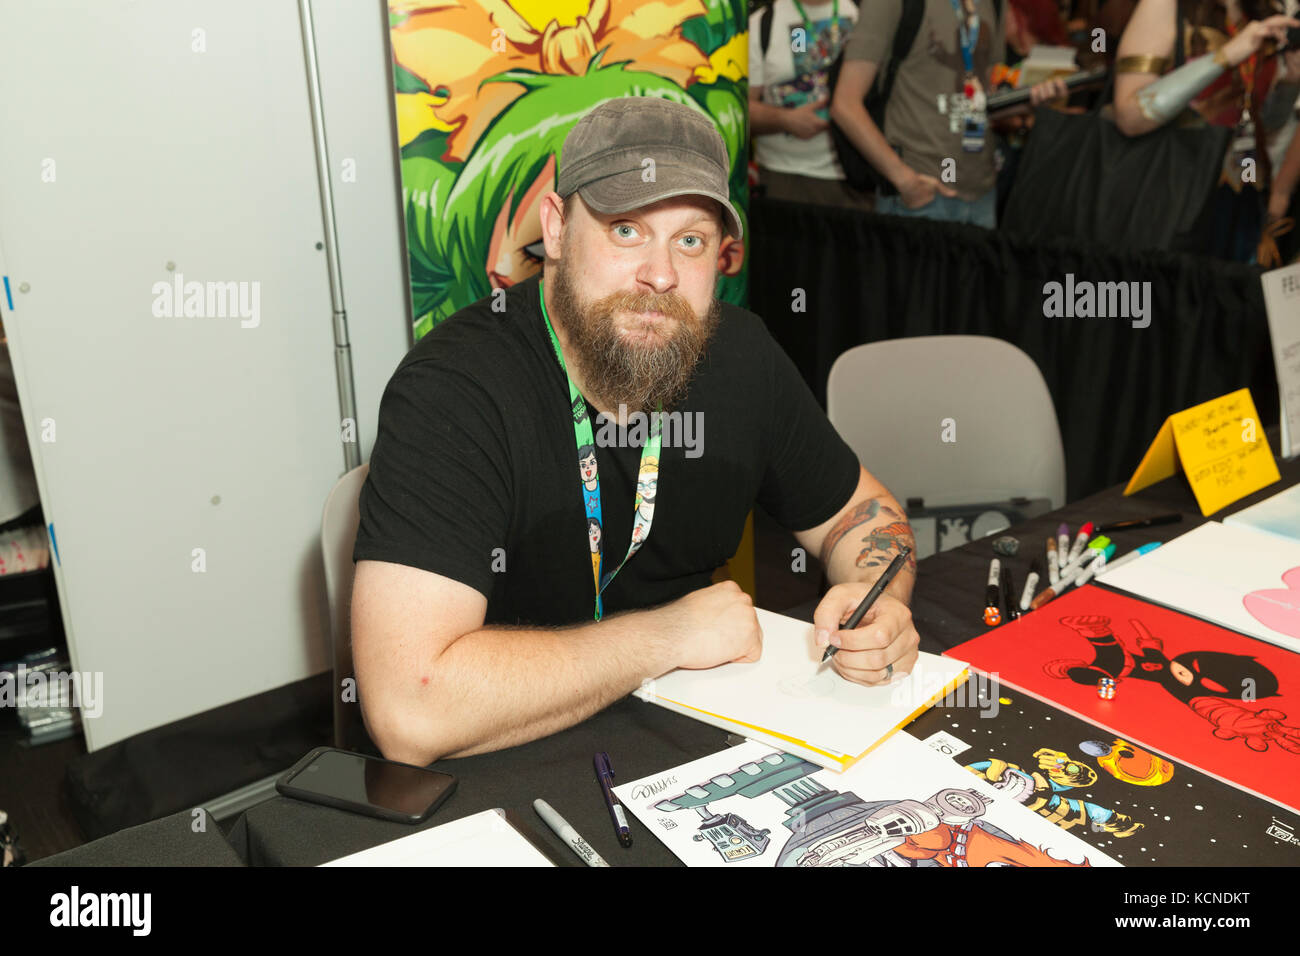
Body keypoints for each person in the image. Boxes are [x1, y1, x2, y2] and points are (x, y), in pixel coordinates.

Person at [350, 98, 919, 766]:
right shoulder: (455, 389)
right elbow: (408, 712)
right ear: (556, 229)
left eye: (691, 240)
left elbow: (861, 514)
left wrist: (875, 602)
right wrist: (664, 637)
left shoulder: (740, 355)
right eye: (626, 230)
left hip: (687, 735)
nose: (661, 275)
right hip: (505, 760)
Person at [830, 0, 1065, 226]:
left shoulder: (994, 3)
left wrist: (1031, 100)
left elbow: (984, 100)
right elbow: (845, 104)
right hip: (922, 193)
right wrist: (905, 181)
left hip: (982, 191)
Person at [1112, 0, 1300, 260]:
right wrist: (1227, 55)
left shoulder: (1258, 9)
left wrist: (1290, 82)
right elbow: (1129, 117)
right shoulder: (1165, 5)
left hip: (1235, 197)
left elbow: (1262, 123)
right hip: (1168, 192)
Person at [749, 0, 876, 209]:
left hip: (857, 176)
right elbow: (741, 111)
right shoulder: (762, 23)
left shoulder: (865, 14)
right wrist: (786, 120)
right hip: (784, 177)